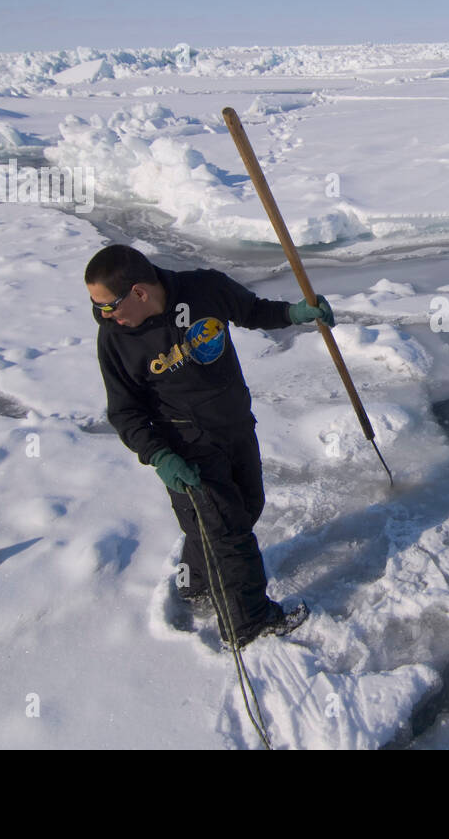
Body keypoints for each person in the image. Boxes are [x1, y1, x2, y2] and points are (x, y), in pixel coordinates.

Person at [85, 244, 334, 647]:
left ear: (139, 292)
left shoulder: (205, 288)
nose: (102, 314)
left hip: (235, 425)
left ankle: (196, 580)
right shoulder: (115, 338)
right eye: (97, 307)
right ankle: (248, 623)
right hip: (185, 449)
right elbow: (124, 412)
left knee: (247, 509)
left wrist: (295, 314)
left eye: (107, 305)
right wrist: (160, 457)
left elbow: (252, 311)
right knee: (229, 534)